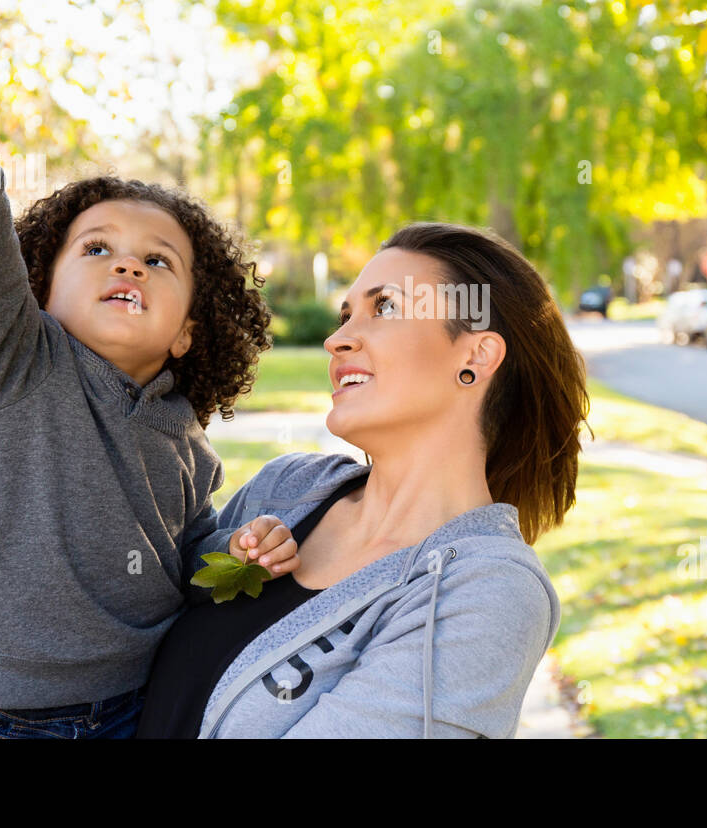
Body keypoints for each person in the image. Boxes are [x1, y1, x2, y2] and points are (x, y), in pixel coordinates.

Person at [0, 0, 301, 738]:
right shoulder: (14, 364)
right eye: (99, 248)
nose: (128, 267)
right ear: (40, 290)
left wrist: (240, 551)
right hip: (29, 714)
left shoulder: (181, 429)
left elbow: (187, 552)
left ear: (187, 328)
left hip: (152, 699)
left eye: (158, 262)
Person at [136, 222, 590, 738]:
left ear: (474, 357)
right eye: (345, 315)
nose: (337, 339)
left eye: (386, 307)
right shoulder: (287, 487)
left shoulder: (490, 590)